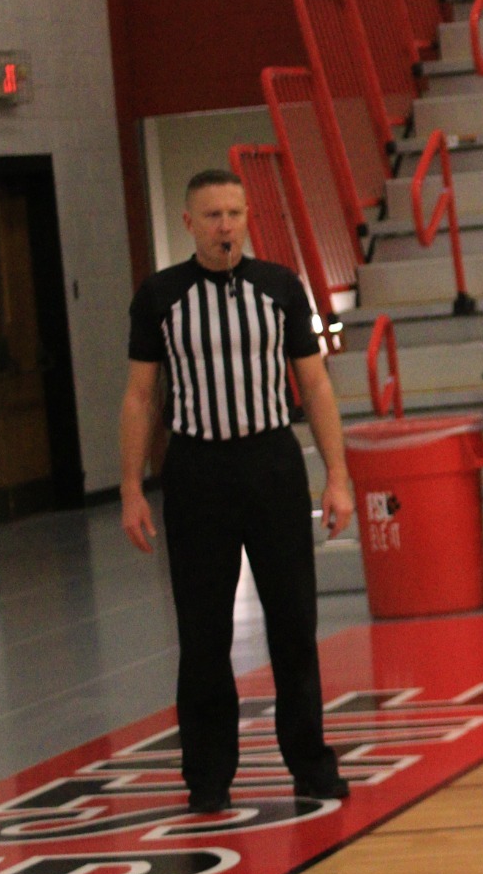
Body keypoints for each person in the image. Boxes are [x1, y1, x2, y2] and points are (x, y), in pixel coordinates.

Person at [119, 168, 351, 814]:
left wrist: (337, 476)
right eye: (212, 215)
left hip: (272, 462)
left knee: (294, 623)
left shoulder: (280, 286)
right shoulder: (160, 296)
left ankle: (310, 763)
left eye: (234, 212)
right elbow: (140, 396)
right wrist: (131, 488)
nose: (225, 225)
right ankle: (209, 776)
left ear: (248, 216)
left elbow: (317, 386)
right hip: (196, 471)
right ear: (188, 222)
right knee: (202, 633)